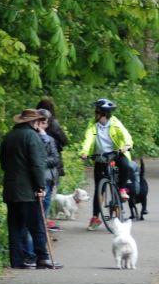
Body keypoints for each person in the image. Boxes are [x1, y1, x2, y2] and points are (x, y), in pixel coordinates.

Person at [0, 109, 62, 269]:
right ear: (32, 122)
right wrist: (40, 186)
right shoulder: (32, 137)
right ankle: (42, 257)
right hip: (29, 190)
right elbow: (37, 164)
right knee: (37, 224)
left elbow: (3, 164)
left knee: (15, 226)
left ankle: (17, 260)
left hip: (11, 188)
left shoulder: (8, 137)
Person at [79, 98, 133, 231]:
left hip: (116, 153)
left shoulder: (115, 123)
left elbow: (126, 135)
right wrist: (84, 152)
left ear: (102, 114)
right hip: (100, 158)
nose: (94, 114)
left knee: (126, 165)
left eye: (96, 112)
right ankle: (95, 218)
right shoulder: (93, 125)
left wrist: (127, 145)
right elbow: (88, 139)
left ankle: (122, 189)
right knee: (99, 190)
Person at [37, 97, 68, 231]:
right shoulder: (53, 124)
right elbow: (64, 140)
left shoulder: (33, 124)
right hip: (52, 161)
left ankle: (42, 220)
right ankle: (44, 221)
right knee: (49, 192)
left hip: (38, 162)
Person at [37, 108, 61, 236]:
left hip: (49, 178)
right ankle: (40, 240)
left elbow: (55, 159)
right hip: (41, 179)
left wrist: (41, 162)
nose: (44, 125)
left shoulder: (49, 139)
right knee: (39, 213)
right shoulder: (34, 137)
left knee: (44, 210)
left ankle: (42, 236)